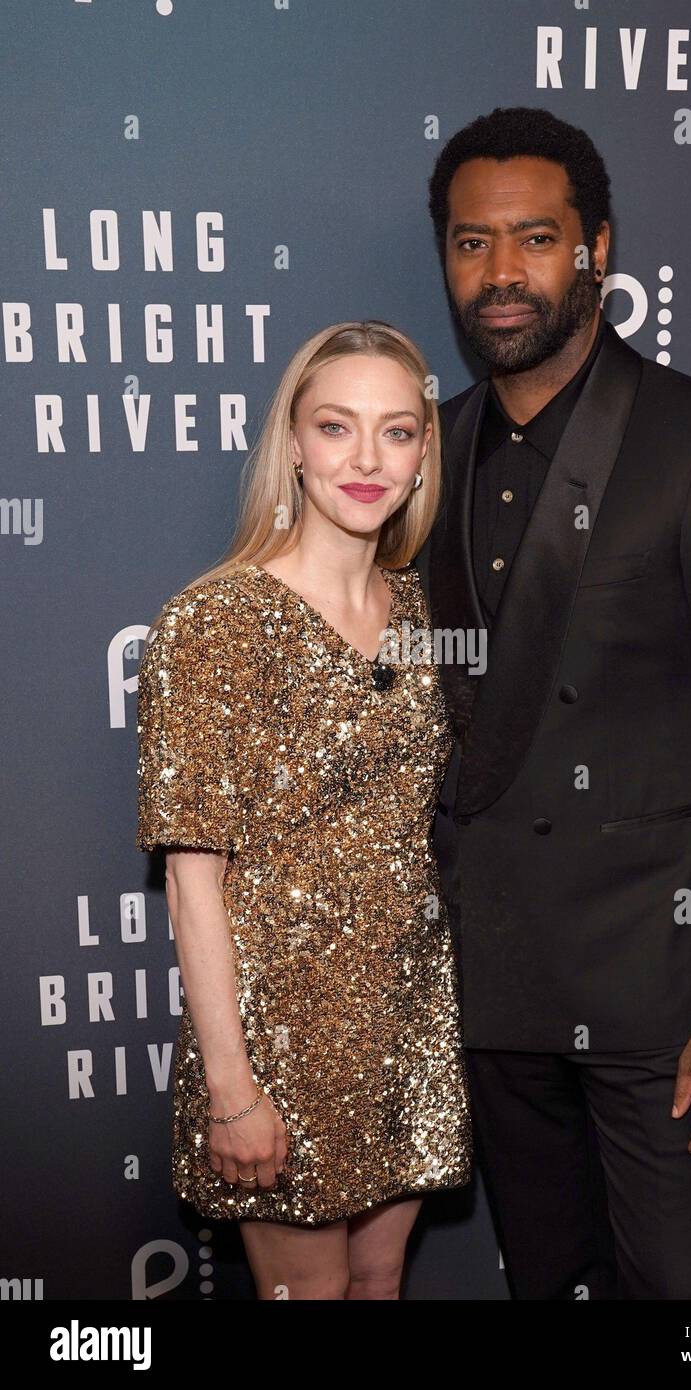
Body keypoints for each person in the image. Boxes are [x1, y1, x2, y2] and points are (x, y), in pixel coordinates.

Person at [414, 106, 691, 1300]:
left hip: (663, 1002)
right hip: (495, 992)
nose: (500, 273)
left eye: (534, 239)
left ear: (596, 247)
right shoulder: (425, 454)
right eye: (469, 244)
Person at [136, 321, 472, 1300]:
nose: (366, 459)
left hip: (406, 1021)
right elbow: (192, 876)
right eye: (336, 427)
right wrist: (233, 1090)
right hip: (277, 1038)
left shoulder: (422, 613)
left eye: (396, 432)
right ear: (292, 442)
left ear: (421, 454)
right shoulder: (213, 619)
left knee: (379, 1279)